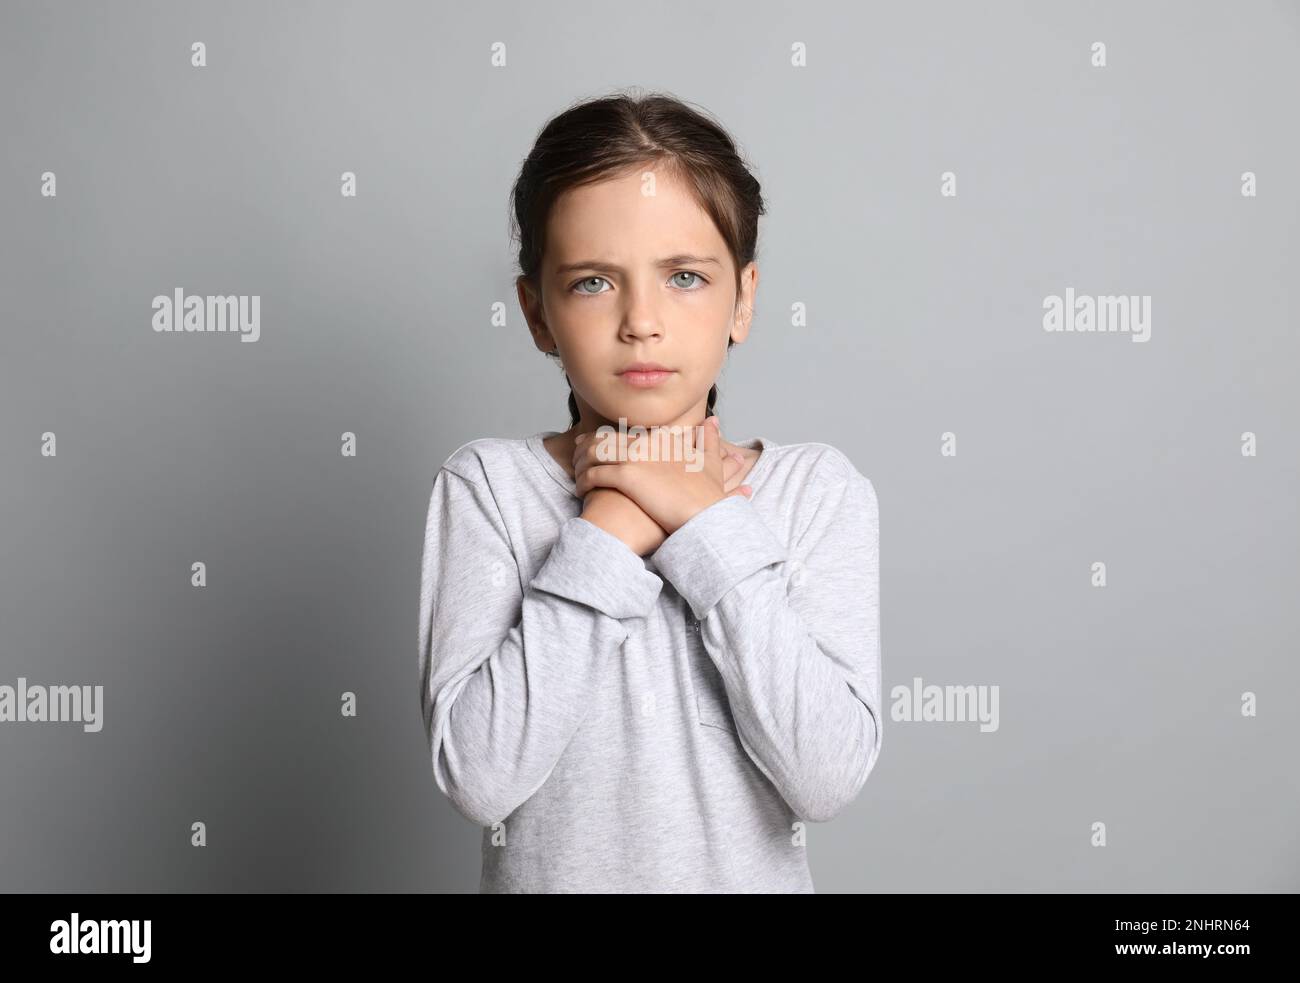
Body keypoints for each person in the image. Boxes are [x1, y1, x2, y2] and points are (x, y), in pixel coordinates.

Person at [417, 90, 882, 892]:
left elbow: (826, 776)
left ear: (743, 298)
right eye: (594, 282)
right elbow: (479, 777)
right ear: (537, 313)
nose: (642, 320)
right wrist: (604, 532)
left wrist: (707, 523)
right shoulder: (489, 488)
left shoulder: (816, 492)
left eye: (686, 277)